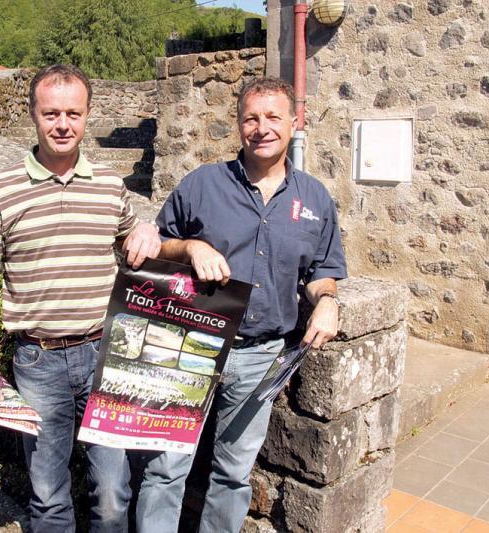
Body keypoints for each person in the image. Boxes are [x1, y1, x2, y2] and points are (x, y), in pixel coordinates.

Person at [136, 76, 348, 532]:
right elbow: (156, 246)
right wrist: (191, 247)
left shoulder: (315, 199)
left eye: (273, 117)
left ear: (294, 122)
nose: (262, 127)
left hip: (261, 356)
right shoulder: (202, 184)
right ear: (238, 124)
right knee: (166, 468)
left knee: (232, 475)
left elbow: (321, 271)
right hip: (191, 344)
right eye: (251, 117)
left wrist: (328, 301)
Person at [0, 64, 160, 533]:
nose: (63, 124)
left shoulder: (111, 186)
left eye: (73, 112)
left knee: (113, 495)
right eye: (51, 113)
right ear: (34, 114)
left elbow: (135, 240)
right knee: (48, 498)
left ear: (87, 116)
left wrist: (149, 229)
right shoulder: (1, 191)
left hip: (104, 356)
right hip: (37, 361)